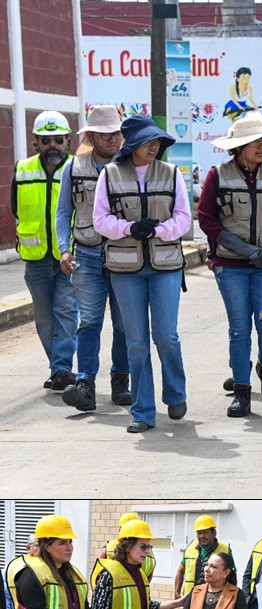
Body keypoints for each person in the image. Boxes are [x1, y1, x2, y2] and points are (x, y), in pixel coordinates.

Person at [92, 115, 192, 433]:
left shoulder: (171, 173)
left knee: (166, 336)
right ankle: (143, 411)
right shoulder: (109, 175)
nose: (155, 146)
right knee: (136, 342)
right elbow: (100, 220)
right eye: (149, 141)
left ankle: (175, 394)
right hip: (125, 269)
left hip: (166, 266)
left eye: (158, 141)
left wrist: (160, 230)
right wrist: (129, 228)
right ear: (133, 144)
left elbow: (184, 218)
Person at [199, 112, 262, 417]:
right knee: (239, 328)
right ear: (239, 146)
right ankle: (241, 390)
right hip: (231, 264)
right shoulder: (217, 175)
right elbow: (208, 219)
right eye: (255, 141)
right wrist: (243, 249)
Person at [57, 105, 132, 412]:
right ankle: (85, 382)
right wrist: (64, 248)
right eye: (104, 135)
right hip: (87, 255)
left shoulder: (129, 166)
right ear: (91, 136)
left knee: (125, 323)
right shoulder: (74, 168)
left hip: (124, 255)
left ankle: (121, 381)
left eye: (116, 133)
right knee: (88, 321)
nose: (112, 139)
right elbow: (64, 212)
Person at [13, 110, 78, 391]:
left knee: (65, 310)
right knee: (43, 317)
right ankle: (59, 368)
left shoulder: (78, 169)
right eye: (46, 140)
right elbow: (14, 207)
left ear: (68, 142)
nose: (53, 145)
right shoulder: (23, 169)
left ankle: (61, 368)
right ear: (35, 142)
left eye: (58, 140)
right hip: (35, 258)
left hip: (70, 256)